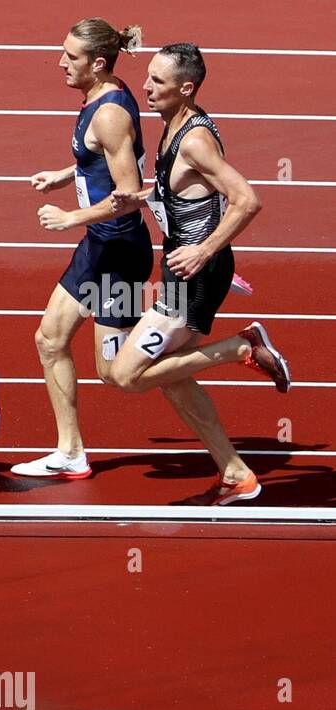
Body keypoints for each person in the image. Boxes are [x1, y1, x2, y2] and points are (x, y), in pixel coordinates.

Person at [107, 43, 291, 505]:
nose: (146, 87)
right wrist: (146, 199)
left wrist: (204, 250)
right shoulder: (176, 123)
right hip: (183, 270)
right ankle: (236, 473)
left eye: (158, 82)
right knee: (171, 376)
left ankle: (239, 347)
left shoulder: (193, 138)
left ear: (185, 88)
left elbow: (247, 199)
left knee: (126, 375)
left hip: (195, 277)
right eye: (147, 76)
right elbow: (185, 190)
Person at [13, 19, 151, 481]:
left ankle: (235, 349)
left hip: (120, 254)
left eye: (70, 57)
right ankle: (70, 452)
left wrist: (70, 218)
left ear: (96, 63)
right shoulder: (102, 94)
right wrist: (64, 174)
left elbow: (130, 192)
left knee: (117, 374)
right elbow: (100, 164)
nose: (60, 63)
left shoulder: (109, 114)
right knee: (49, 339)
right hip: (98, 247)